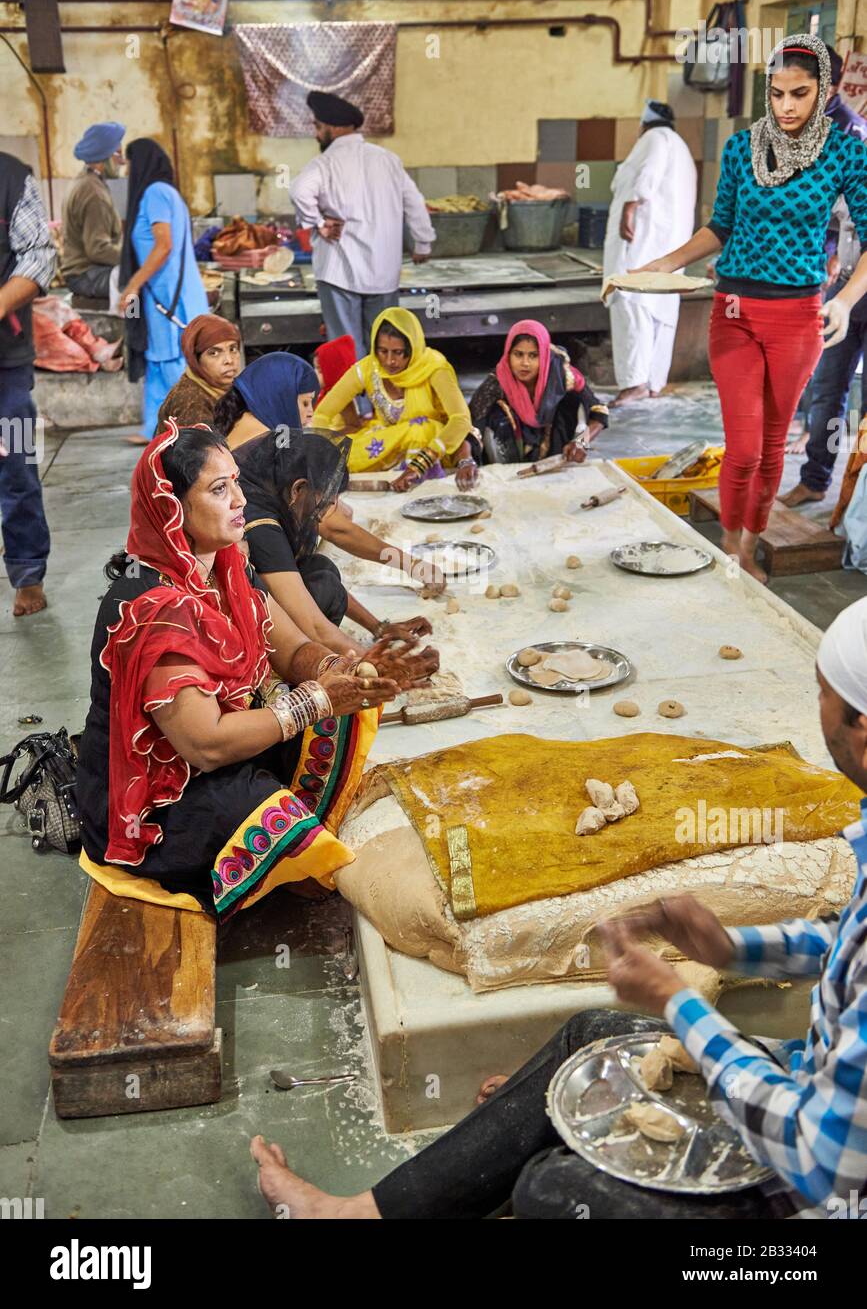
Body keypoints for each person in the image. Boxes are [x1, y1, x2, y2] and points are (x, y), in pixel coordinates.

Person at [251, 594, 867, 1219]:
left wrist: (681, 1009)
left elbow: (825, 1161)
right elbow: (844, 943)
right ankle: (359, 1215)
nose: (815, 706)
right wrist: (734, 946)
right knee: (585, 1038)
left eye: (822, 692)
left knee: (550, 1190)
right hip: (816, 1090)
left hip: (827, 1193)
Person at [76, 422, 436, 919]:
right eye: (219, 489)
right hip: (156, 800)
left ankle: (290, 853)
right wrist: (319, 698)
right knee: (273, 812)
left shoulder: (225, 563)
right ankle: (278, 855)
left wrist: (350, 669)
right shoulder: (156, 609)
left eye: (237, 482)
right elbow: (206, 745)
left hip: (212, 756)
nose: (240, 499)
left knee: (344, 713)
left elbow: (289, 650)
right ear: (172, 506)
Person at [637, 35, 867, 583]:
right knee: (741, 450)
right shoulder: (743, 149)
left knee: (770, 452)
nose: (787, 105)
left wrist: (847, 300)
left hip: (799, 320)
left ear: (825, 91)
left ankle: (749, 539)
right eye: (778, 92)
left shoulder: (846, 151)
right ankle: (730, 546)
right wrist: (665, 263)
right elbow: (721, 225)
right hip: (735, 311)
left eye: (801, 93)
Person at [236, 428, 441, 661]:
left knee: (321, 570)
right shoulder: (261, 527)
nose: (332, 506)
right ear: (298, 489)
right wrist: (379, 665)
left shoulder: (275, 486)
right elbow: (314, 626)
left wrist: (378, 628)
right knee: (323, 587)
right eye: (327, 497)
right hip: (242, 633)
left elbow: (334, 537)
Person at [781, 44, 867, 506]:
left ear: (828, 87)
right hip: (841, 284)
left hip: (859, 287)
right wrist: (827, 255)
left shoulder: (851, 136)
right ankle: (816, 480)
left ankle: (859, 500)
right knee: (828, 387)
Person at [289, 91, 435, 357]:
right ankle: (382, 399)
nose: (316, 134)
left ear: (332, 129)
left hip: (338, 272)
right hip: (383, 273)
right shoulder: (387, 159)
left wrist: (318, 222)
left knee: (347, 350)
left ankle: (355, 399)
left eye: (318, 127)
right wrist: (422, 242)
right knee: (384, 348)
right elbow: (414, 201)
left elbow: (299, 190)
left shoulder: (325, 163)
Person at [310, 307, 478, 492]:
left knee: (421, 428)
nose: (389, 361)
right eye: (382, 351)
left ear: (412, 348)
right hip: (385, 443)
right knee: (336, 451)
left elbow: (460, 419)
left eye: (398, 352)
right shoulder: (368, 367)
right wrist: (320, 450)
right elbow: (323, 414)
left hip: (432, 447)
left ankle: (417, 474)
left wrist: (420, 464)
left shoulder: (435, 368)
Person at [603, 100, 697, 406]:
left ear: (644, 124)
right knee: (659, 310)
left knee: (629, 300)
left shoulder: (654, 139)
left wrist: (631, 205)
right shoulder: (680, 146)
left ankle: (635, 382)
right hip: (667, 245)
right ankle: (654, 380)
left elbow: (647, 174)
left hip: (642, 242)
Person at [118, 138, 209, 445]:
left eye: (129, 162)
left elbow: (164, 244)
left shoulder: (155, 193)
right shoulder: (168, 193)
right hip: (163, 294)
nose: (127, 169)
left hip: (168, 297)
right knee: (157, 359)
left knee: (171, 360)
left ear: (140, 162)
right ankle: (153, 429)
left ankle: (193, 430)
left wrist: (132, 284)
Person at [0, 152, 55, 617]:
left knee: (16, 461)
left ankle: (27, 570)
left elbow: (40, 254)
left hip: (5, 366)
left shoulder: (11, 176)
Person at [468, 320, 609, 465]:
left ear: (544, 356)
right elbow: (470, 426)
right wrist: (466, 461)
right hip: (511, 452)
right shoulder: (498, 380)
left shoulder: (561, 374)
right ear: (508, 354)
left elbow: (599, 412)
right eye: (518, 354)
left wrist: (581, 442)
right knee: (495, 412)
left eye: (533, 356)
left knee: (567, 401)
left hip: (555, 443)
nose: (525, 363)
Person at [60, 121, 125, 302]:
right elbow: (98, 249)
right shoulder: (94, 193)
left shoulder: (84, 182)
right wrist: (134, 258)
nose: (122, 161)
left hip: (83, 272)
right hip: (85, 275)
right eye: (118, 154)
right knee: (136, 282)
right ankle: (133, 322)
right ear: (104, 158)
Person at [214, 350, 319, 448]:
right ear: (280, 399)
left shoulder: (243, 419)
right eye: (305, 403)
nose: (310, 413)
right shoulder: (266, 439)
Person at [156, 315, 242, 432]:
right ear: (195, 360)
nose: (229, 360)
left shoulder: (232, 389)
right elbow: (203, 449)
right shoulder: (191, 402)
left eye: (233, 349)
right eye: (214, 353)